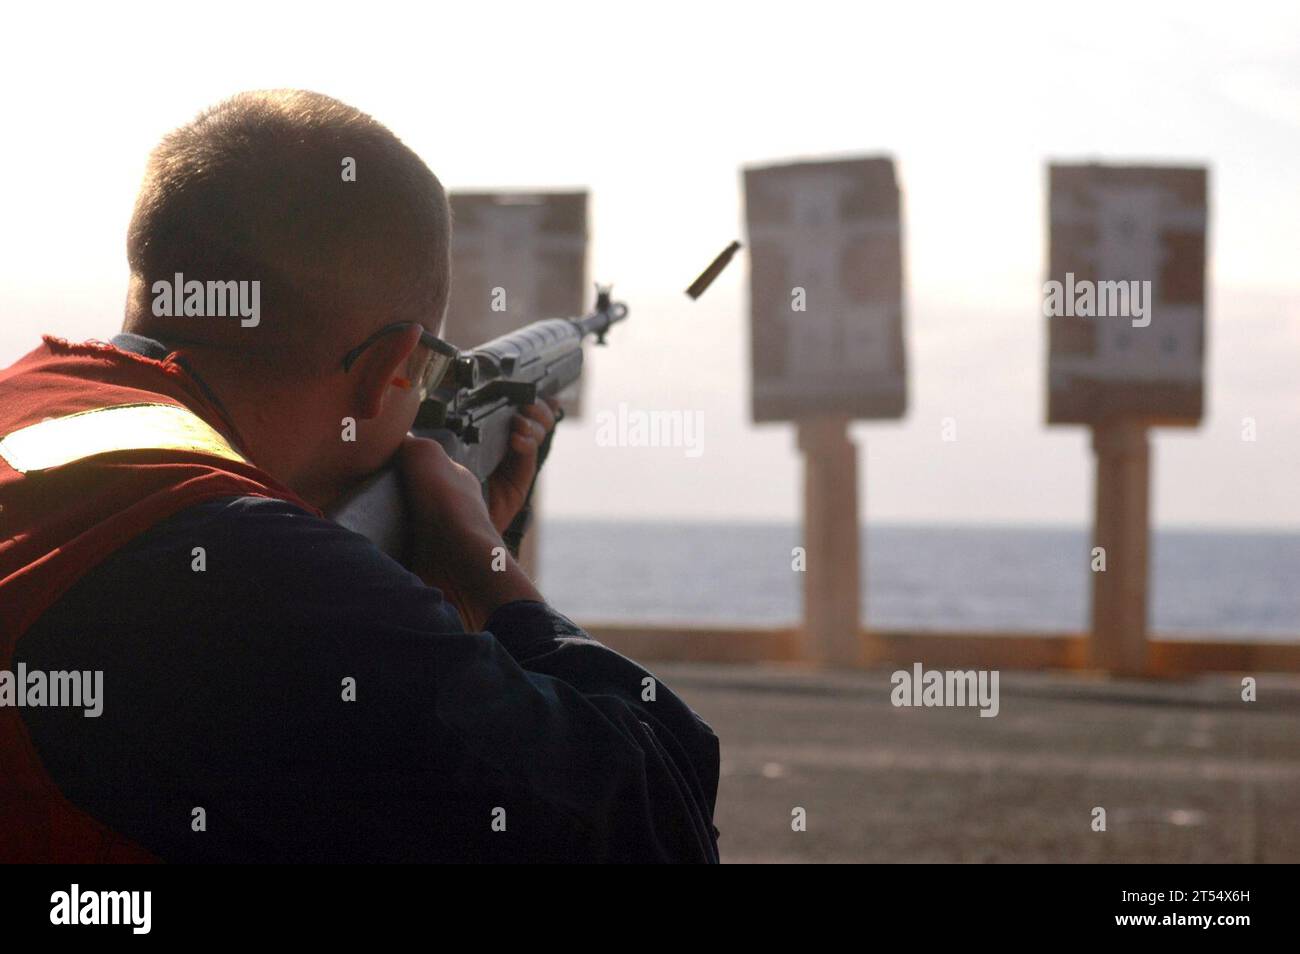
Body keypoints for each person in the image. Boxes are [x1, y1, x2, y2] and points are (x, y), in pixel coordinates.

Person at [0, 90, 720, 863]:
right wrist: (490, 573)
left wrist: (415, 590)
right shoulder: (251, 571)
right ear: (386, 370)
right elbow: (650, 822)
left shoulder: (33, 410)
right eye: (429, 373)